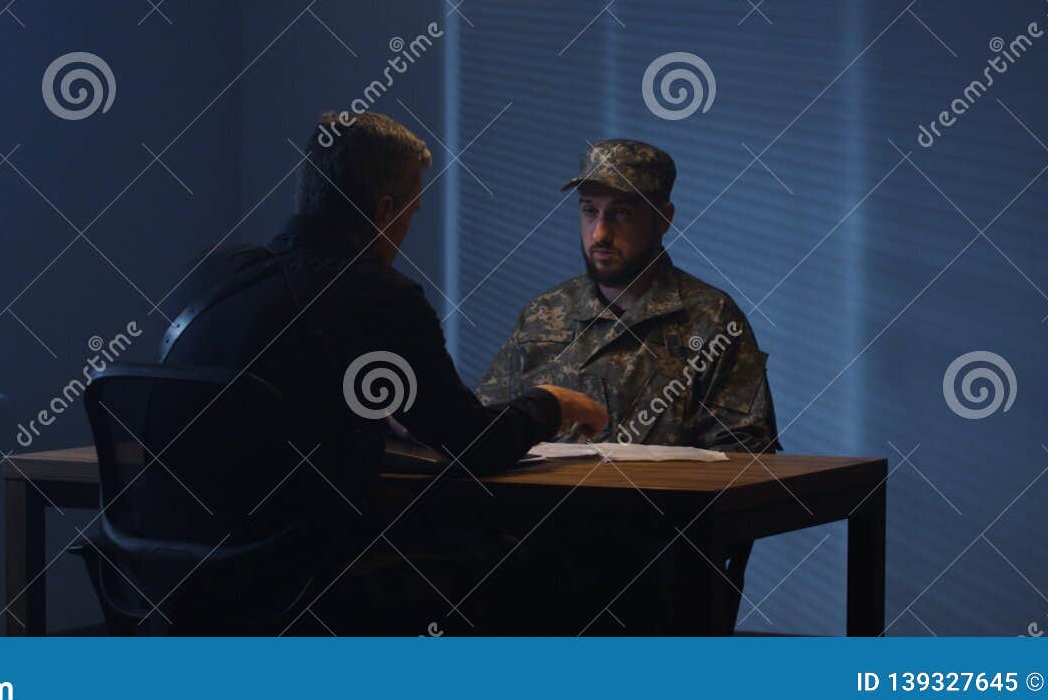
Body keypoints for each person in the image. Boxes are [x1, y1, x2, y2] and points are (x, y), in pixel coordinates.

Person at [157, 111, 607, 634]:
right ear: (385, 210)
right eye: (410, 215)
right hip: (304, 586)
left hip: (181, 583)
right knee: (526, 563)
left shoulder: (213, 275)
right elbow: (473, 443)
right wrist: (551, 402)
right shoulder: (379, 295)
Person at [477, 139, 778, 454]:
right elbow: (485, 439)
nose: (600, 234)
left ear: (663, 218)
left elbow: (745, 459)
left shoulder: (712, 319)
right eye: (590, 211)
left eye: (620, 213)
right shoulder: (542, 315)